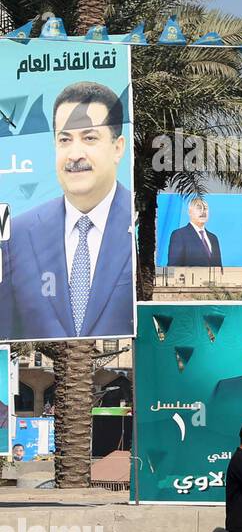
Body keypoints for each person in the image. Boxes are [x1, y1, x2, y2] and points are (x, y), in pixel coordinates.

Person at [0, 81, 134, 340]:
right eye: (65, 139)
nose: (74, 154)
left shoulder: (143, 223)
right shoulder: (16, 234)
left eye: (89, 138)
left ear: (118, 148)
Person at [165, 197, 223, 266]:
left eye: (205, 208)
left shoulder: (213, 238)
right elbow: (173, 267)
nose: (203, 211)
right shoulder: (179, 235)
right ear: (189, 212)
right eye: (199, 208)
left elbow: (219, 269)